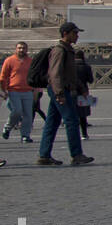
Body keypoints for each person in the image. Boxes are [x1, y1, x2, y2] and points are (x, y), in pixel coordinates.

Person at [36, 22, 94, 166]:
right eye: (75, 33)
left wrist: (81, 88)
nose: (77, 36)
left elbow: (70, 74)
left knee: (52, 122)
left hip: (61, 88)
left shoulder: (68, 50)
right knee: (72, 120)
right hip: (60, 89)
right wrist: (59, 93)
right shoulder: (59, 50)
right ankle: (76, 154)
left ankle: (44, 155)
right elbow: (55, 74)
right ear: (65, 34)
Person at [1, 41, 35, 142]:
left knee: (28, 115)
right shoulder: (9, 60)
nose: (21, 50)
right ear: (16, 49)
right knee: (17, 111)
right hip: (13, 90)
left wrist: (36, 91)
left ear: (27, 49)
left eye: (23, 48)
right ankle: (7, 127)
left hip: (28, 91)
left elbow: (34, 76)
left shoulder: (30, 61)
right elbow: (3, 76)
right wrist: (4, 90)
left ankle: (25, 135)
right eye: (19, 48)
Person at [74, 50, 93, 138]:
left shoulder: (71, 66)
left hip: (72, 91)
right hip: (84, 91)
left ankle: (74, 135)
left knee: (72, 113)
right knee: (83, 114)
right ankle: (84, 134)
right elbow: (91, 80)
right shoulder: (87, 66)